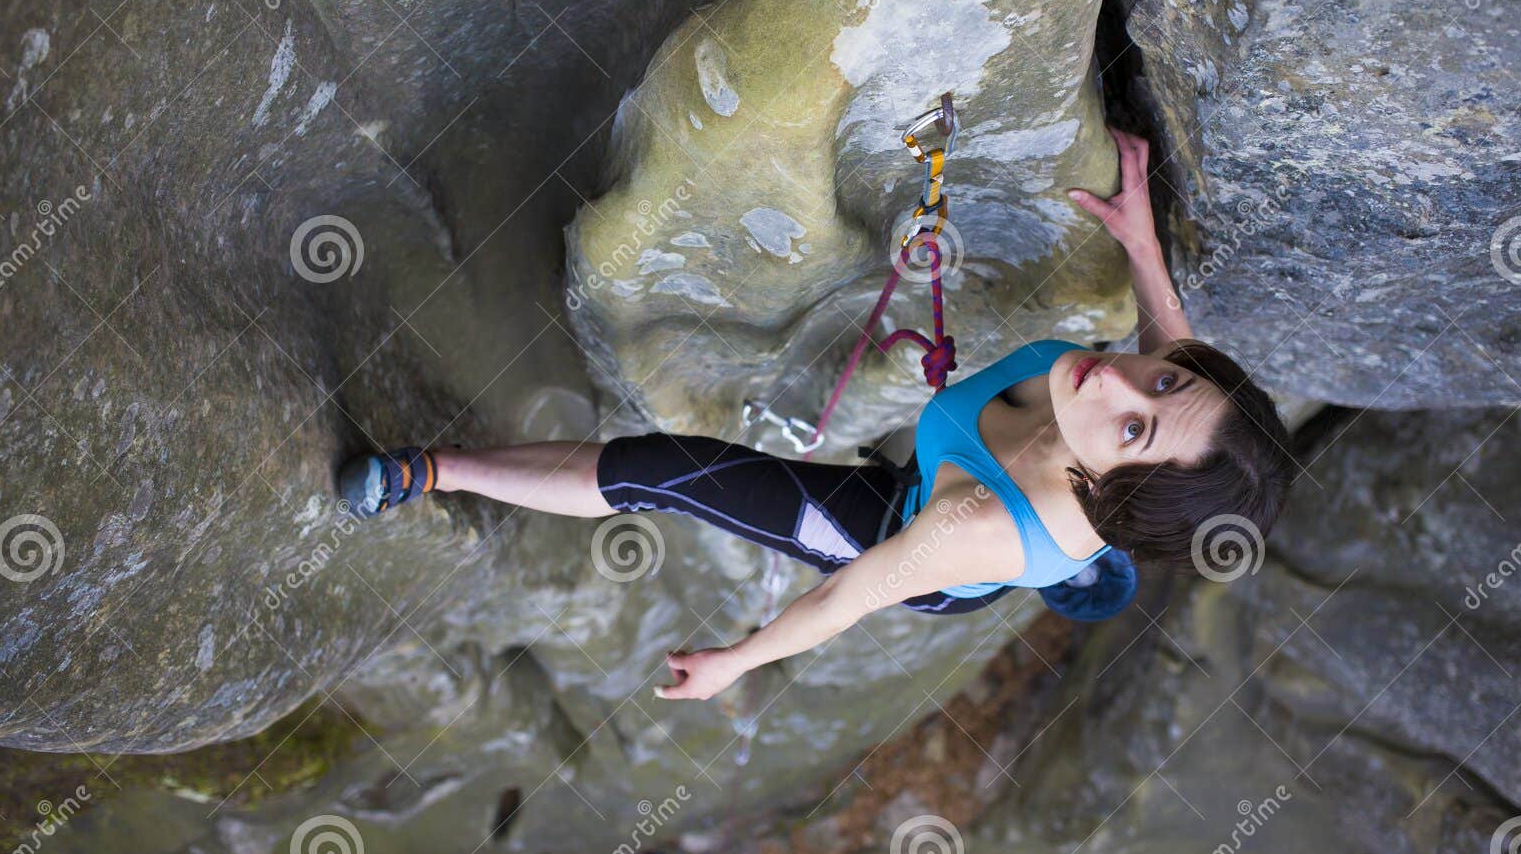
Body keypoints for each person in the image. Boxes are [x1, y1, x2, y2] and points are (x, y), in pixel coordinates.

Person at [339, 130, 1293, 701]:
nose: (1120, 384)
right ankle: (1104, 561)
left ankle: (434, 471)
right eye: (1162, 386)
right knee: (1146, 448)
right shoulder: (1147, 379)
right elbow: (1174, 340)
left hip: (917, 528)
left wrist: (737, 662)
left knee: (664, 470)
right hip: (1018, 487)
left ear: (1104, 483)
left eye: (1135, 429)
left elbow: (850, 598)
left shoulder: (974, 529)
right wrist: (1140, 238)